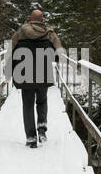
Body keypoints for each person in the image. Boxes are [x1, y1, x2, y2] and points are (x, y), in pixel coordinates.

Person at [8, 8, 64, 148]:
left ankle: (31, 137)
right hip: (43, 73)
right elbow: (58, 55)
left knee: (27, 105)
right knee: (42, 101)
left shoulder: (20, 33)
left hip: (24, 73)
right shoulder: (50, 33)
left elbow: (10, 53)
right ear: (42, 20)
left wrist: (9, 72)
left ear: (29, 18)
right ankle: (42, 128)